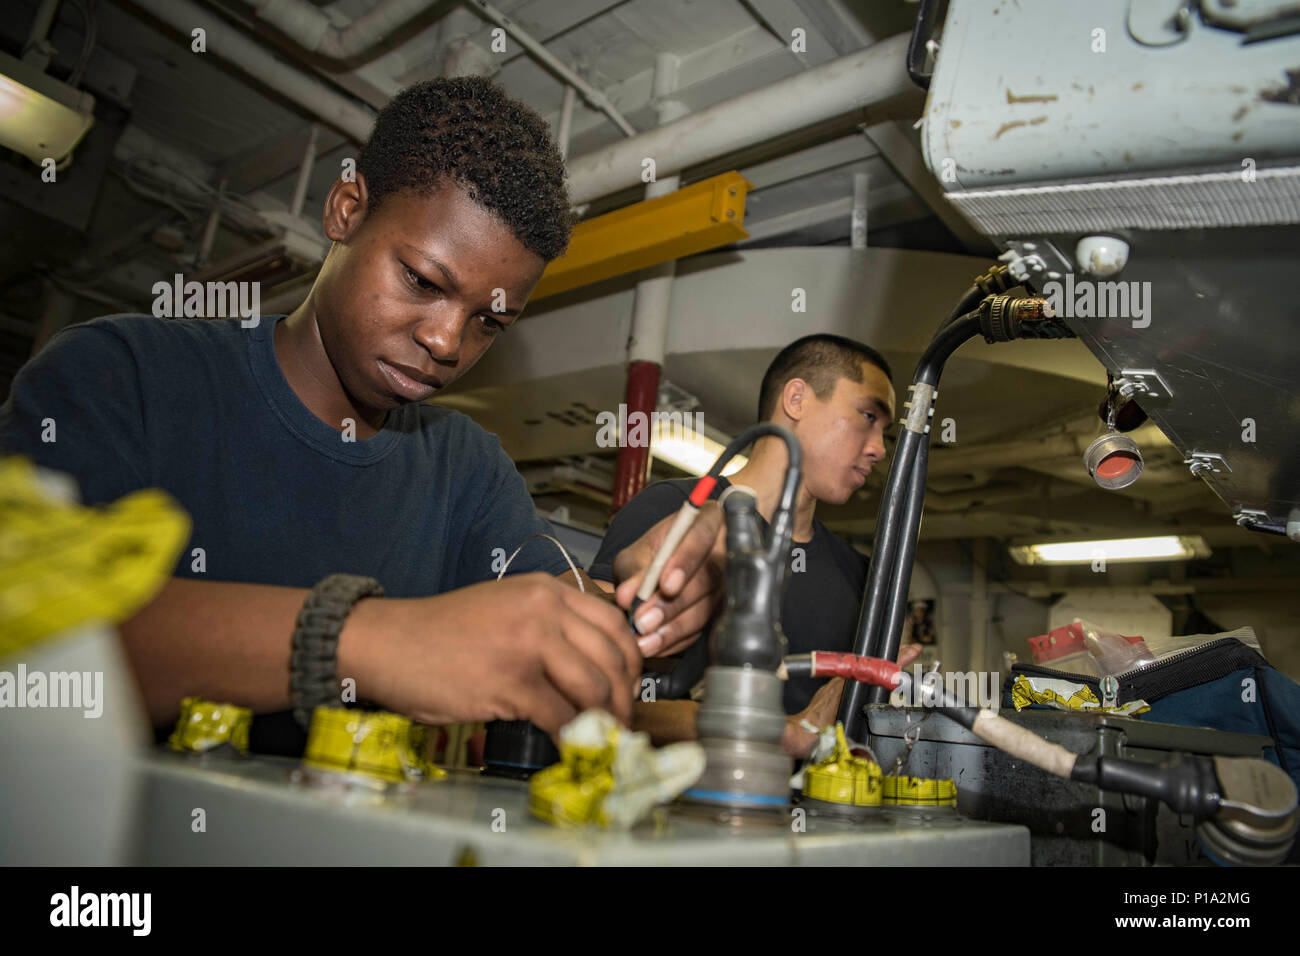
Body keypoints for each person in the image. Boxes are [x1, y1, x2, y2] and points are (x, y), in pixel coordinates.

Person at [0, 77, 725, 756]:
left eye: (488, 323)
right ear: (346, 210)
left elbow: (550, 612)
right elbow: (34, 643)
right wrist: (365, 640)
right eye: (421, 280)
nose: (447, 341)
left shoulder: (466, 470)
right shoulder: (123, 374)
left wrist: (637, 602)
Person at [588, 334, 922, 756]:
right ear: (797, 399)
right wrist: (776, 732)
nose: (877, 449)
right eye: (867, 416)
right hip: (672, 815)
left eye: (885, 432)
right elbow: (599, 699)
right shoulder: (674, 512)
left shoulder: (858, 576)